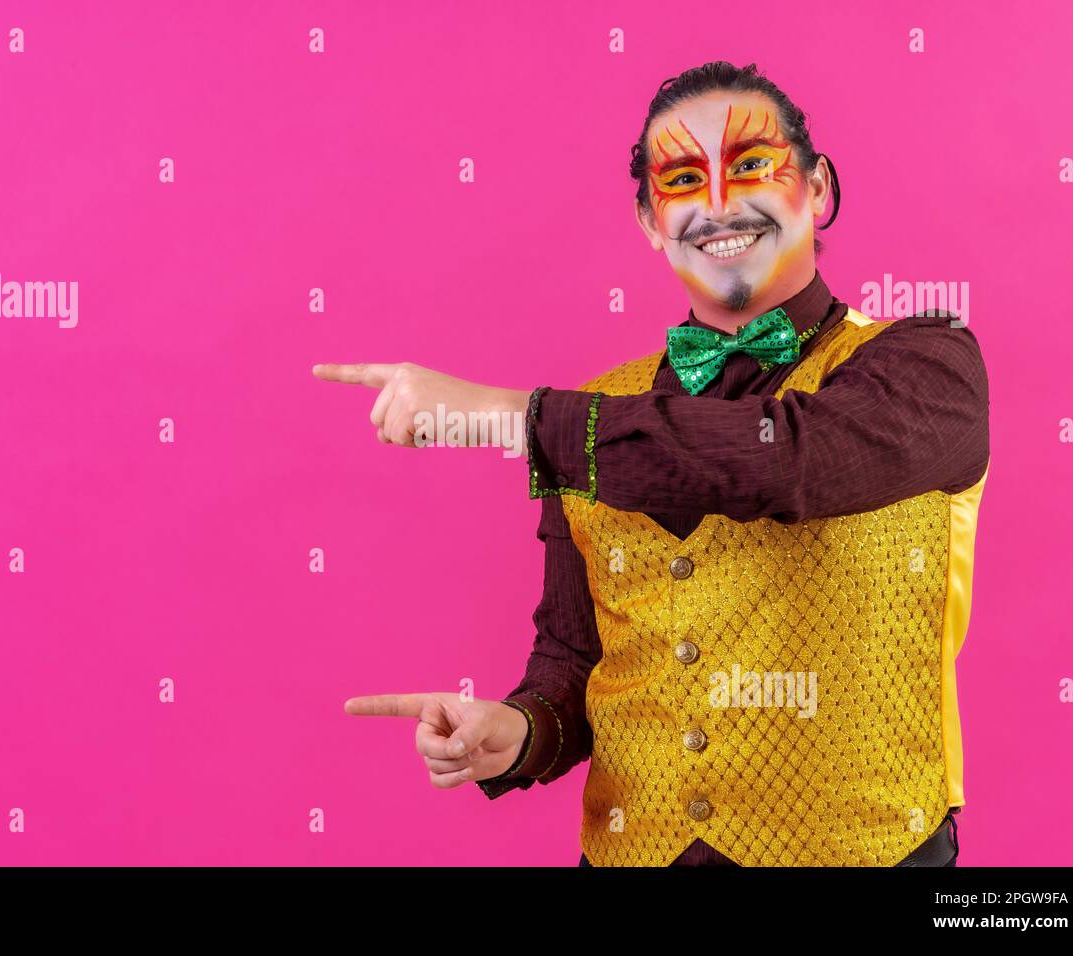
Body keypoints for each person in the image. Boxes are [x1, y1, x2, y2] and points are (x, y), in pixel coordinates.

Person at [315, 61, 989, 867]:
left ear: (818, 189)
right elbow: (572, 662)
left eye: (748, 165)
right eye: (678, 180)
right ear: (647, 220)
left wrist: (507, 414)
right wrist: (522, 731)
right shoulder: (595, 410)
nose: (715, 205)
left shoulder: (929, 362)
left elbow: (790, 462)